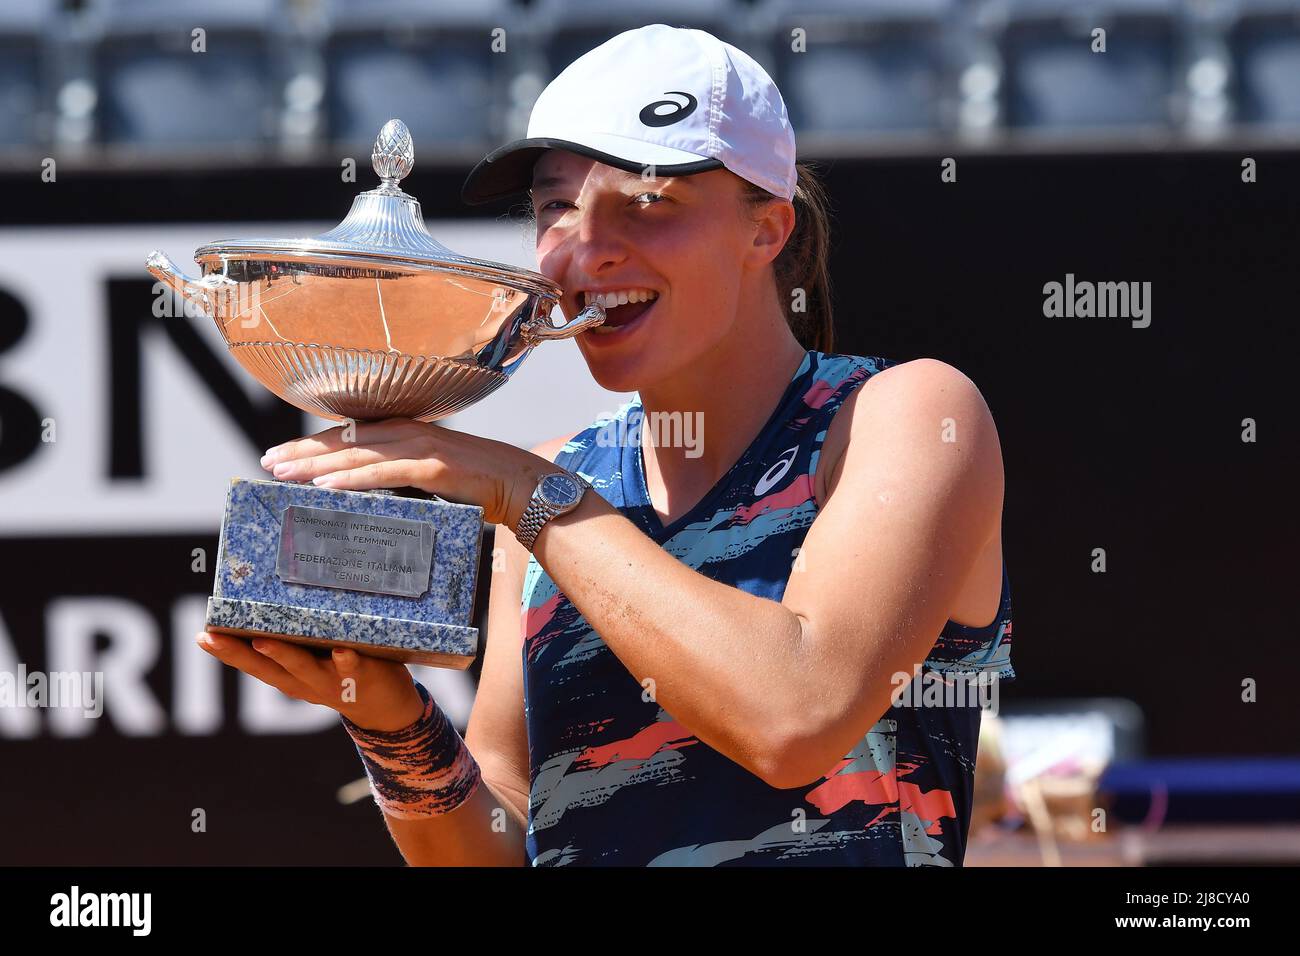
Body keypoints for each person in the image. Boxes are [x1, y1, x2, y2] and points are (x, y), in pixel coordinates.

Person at [198, 23, 1016, 867]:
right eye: (557, 207)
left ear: (767, 230)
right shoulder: (562, 484)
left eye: (648, 202)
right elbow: (499, 846)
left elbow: (796, 719)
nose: (585, 249)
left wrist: (528, 495)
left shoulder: (905, 413)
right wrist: (391, 722)